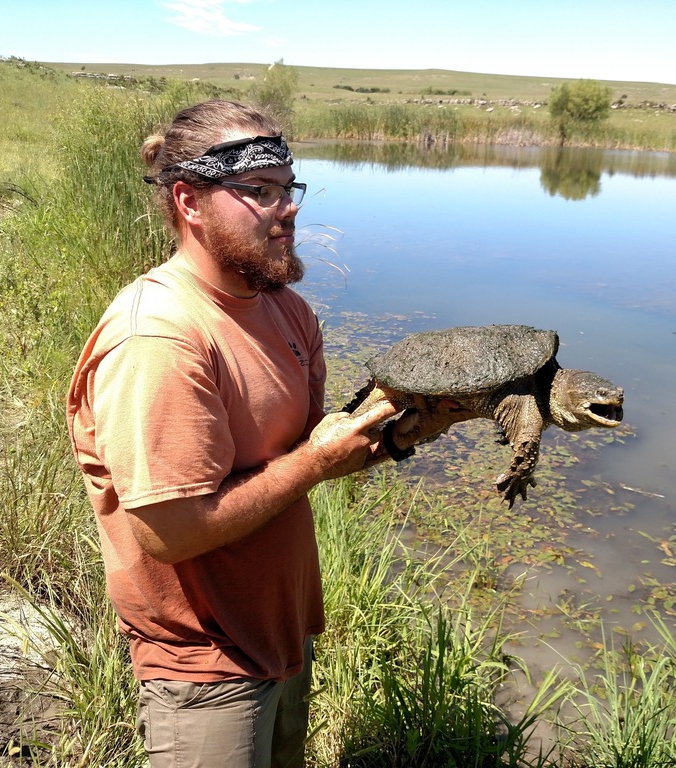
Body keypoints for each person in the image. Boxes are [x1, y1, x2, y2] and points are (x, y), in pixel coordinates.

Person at [66, 100, 460, 768]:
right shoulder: (159, 336)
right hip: (205, 664)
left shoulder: (286, 311)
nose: (290, 209)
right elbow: (171, 532)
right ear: (189, 201)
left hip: (282, 635)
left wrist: (412, 429)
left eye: (288, 188)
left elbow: (311, 450)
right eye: (260, 192)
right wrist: (312, 464)